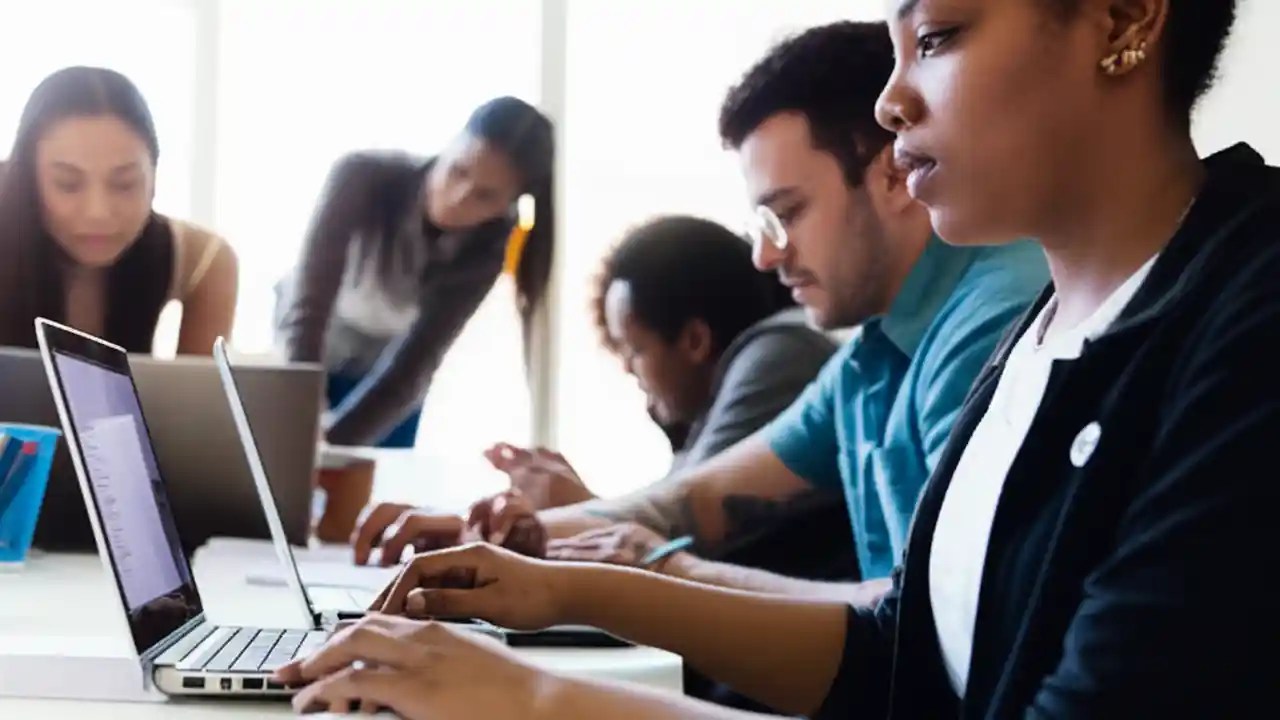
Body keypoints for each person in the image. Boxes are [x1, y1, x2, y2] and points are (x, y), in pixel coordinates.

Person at [278, 1, 1279, 718]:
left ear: (1121, 22)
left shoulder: (1244, 316)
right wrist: (564, 587)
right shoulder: (1042, 332)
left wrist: (533, 697)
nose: (890, 106)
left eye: (934, 39)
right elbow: (904, 655)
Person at [352, 20, 1046, 604]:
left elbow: (929, 619)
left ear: (893, 174)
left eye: (788, 214)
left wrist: (663, 572)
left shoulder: (989, 327)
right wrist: (499, 535)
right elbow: (693, 498)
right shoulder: (874, 350)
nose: (767, 260)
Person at [354, 215, 852, 586]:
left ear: (696, 340)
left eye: (634, 350)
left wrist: (535, 523)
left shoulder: (779, 351)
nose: (630, 371)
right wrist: (542, 521)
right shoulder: (752, 375)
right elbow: (676, 521)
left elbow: (691, 528)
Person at [275, 96, 554, 448]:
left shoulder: (489, 248)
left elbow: (418, 360)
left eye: (484, 196)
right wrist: (301, 408)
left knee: (366, 477)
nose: (457, 198)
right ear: (450, 145)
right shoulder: (362, 175)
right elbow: (309, 304)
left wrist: (333, 449)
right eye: (458, 170)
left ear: (508, 204)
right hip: (310, 339)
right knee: (286, 449)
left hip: (391, 371)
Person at [0, 66, 237, 353]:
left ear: (153, 178)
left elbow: (201, 394)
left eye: (124, 184)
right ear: (27, 180)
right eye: (68, 184)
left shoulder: (200, 258)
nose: (98, 212)